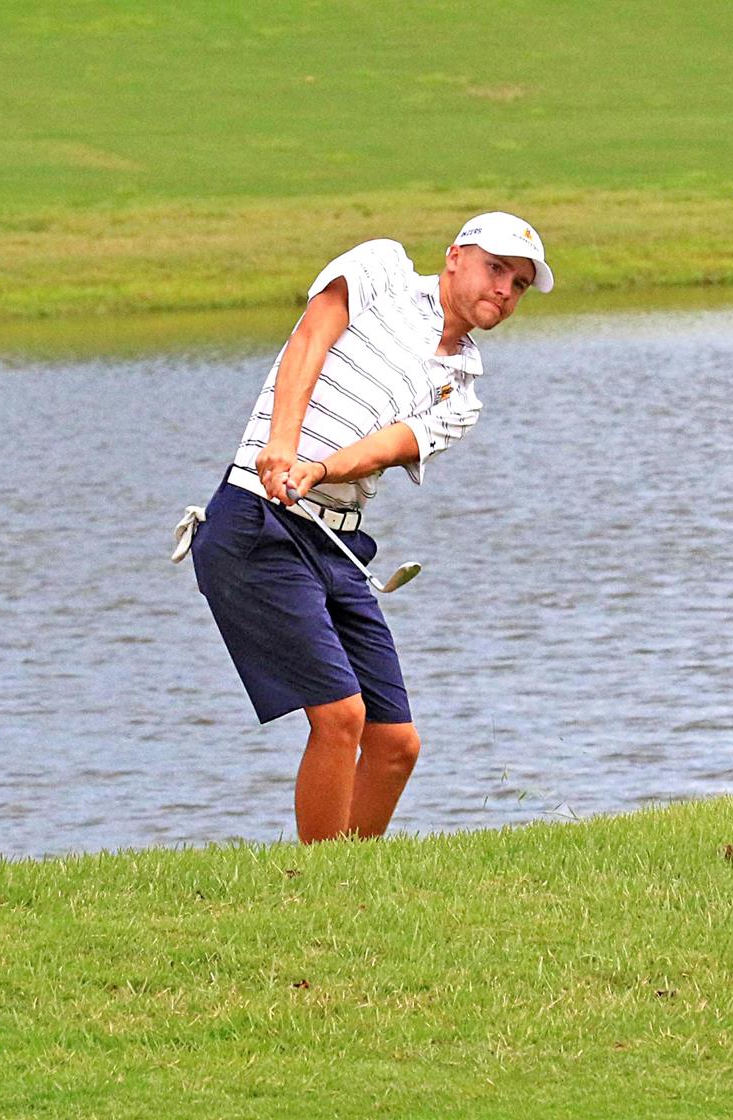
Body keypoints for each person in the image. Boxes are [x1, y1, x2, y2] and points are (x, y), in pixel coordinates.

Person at [187, 212, 552, 842]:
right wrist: (281, 444)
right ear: (455, 256)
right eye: (496, 269)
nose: (504, 289)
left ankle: (350, 879)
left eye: (519, 284)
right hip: (255, 521)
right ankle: (317, 887)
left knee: (395, 741)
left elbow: (387, 445)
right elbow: (310, 339)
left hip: (336, 542)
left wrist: (318, 466)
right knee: (340, 716)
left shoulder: (462, 394)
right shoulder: (380, 268)